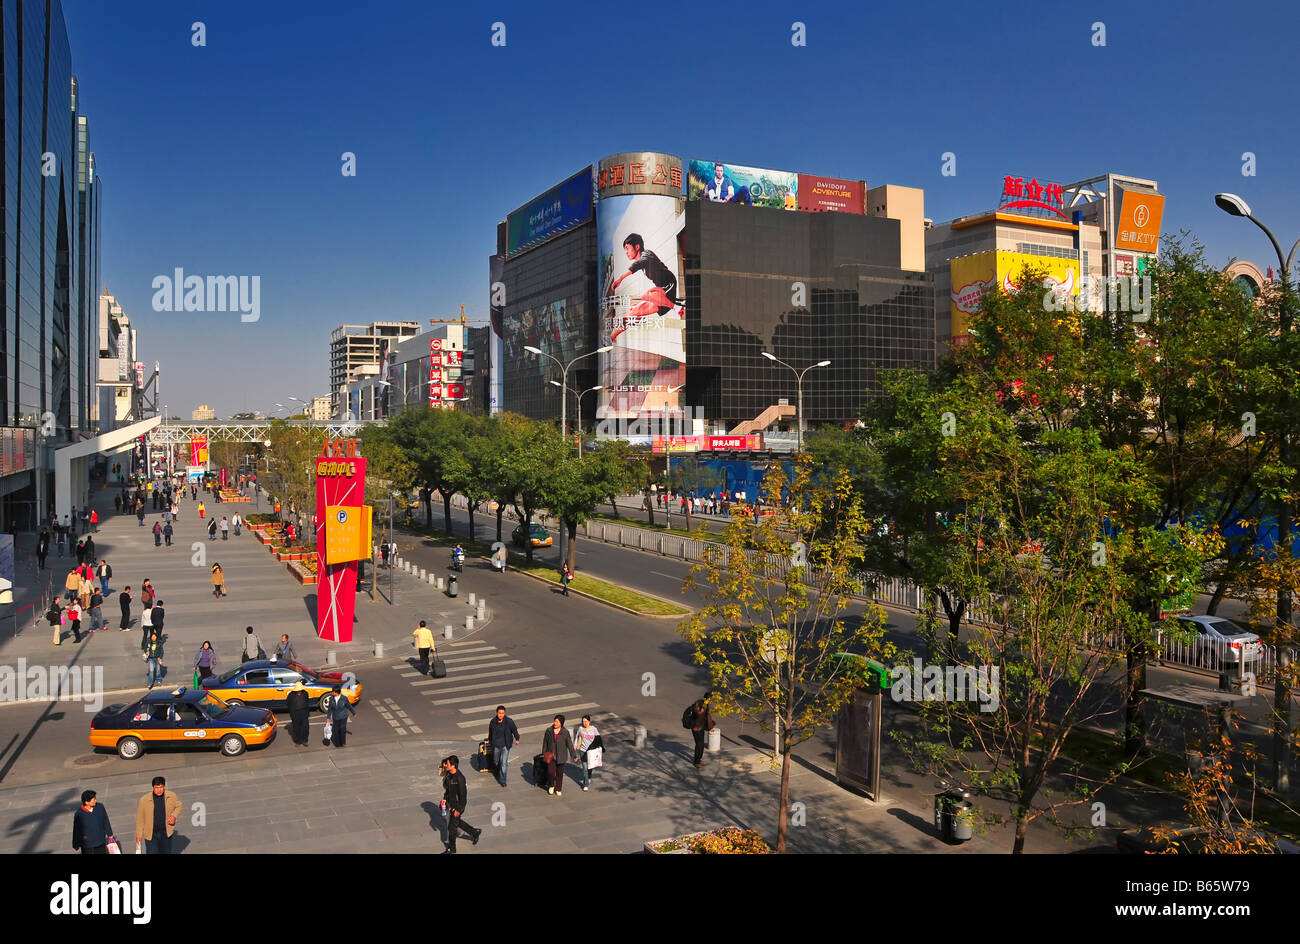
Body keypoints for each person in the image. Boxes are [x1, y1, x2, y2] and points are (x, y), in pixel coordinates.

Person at [609, 233, 681, 339]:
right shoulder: (643, 261)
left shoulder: (647, 254)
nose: (626, 252)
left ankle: (675, 307)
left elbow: (637, 265)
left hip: (668, 284)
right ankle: (612, 336)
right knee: (633, 311)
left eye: (627, 248)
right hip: (661, 290)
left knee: (648, 294)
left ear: (637, 247)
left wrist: (620, 279)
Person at [439, 755, 481, 853]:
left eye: (448, 764)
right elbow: (448, 790)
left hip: (457, 806)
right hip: (450, 803)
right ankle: (475, 832)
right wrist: (445, 799)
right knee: (457, 822)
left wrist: (459, 809)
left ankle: (451, 849)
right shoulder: (449, 774)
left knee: (451, 828)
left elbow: (463, 796)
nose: (446, 766)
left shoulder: (460, 778)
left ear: (453, 765)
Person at [135, 776, 181, 854]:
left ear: (164, 787)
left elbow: (178, 805)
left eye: (161, 787)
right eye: (157, 787)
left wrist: (174, 816)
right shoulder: (144, 800)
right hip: (151, 834)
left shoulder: (171, 796)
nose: (159, 790)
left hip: (166, 832)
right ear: (153, 787)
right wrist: (139, 835)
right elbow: (140, 819)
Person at [541, 714, 576, 797]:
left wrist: (573, 755)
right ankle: (551, 785)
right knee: (551, 772)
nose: (555, 723)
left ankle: (558, 788)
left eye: (557, 722)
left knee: (560, 774)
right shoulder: (549, 730)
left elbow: (569, 744)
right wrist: (543, 753)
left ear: (561, 723)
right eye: (554, 721)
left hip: (561, 756)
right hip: (551, 755)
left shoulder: (565, 732)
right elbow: (545, 742)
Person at [72, 790, 115, 855]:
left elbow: (105, 820)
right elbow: (76, 830)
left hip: (100, 840)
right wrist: (76, 844)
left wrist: (110, 834)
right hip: (87, 844)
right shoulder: (79, 814)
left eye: (95, 798)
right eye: (93, 799)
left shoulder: (100, 807)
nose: (95, 800)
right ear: (86, 802)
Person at [487, 705, 520, 788]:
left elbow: (514, 730)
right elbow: (490, 732)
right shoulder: (493, 722)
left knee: (504, 763)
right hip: (496, 745)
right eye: (499, 713)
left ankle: (503, 780)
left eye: (502, 713)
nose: (500, 715)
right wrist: (490, 740)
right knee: (496, 761)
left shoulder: (509, 721)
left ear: (505, 713)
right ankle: (497, 771)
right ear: (497, 713)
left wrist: (517, 738)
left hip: (506, 745)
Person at [689, 693, 715, 768]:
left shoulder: (705, 705)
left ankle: (699, 759)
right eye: (711, 700)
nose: (711, 702)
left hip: (701, 727)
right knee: (699, 744)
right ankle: (696, 762)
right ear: (707, 699)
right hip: (696, 728)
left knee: (701, 744)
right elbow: (699, 715)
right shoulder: (700, 705)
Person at [575, 715, 601, 791]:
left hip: (591, 751)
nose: (585, 723)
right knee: (585, 768)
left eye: (586, 721)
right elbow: (577, 737)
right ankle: (586, 784)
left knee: (590, 767)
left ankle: (589, 777)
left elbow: (598, 738)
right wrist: (575, 745)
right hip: (582, 751)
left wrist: (599, 747)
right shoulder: (581, 729)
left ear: (589, 722)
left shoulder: (594, 729)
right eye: (583, 721)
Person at [286, 680, 310, 746]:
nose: (299, 691)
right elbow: (288, 704)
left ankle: (305, 740)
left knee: (305, 727)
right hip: (295, 713)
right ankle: (297, 741)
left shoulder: (305, 693)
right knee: (296, 728)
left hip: (304, 713)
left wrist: (307, 713)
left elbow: (307, 702)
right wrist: (292, 713)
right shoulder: (291, 695)